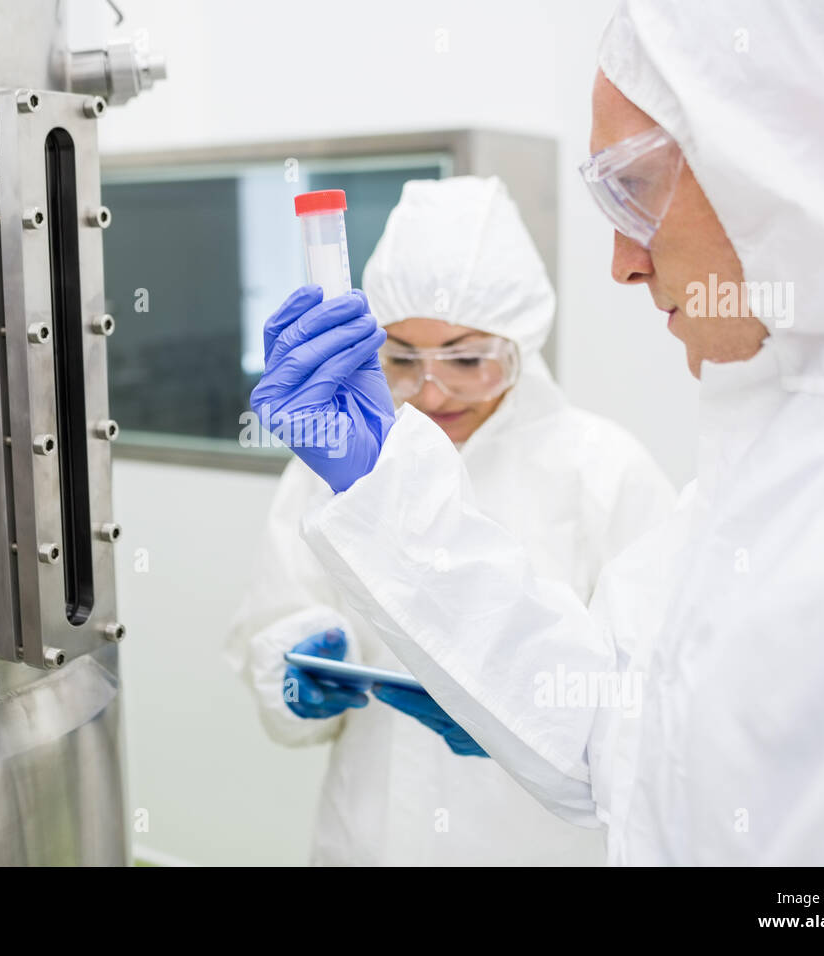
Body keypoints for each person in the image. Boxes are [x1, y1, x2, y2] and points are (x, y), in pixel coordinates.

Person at [247, 0, 824, 864]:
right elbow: (615, 737)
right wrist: (378, 486)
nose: (623, 262)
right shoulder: (776, 468)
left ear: (787, 158)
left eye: (637, 186)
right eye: (406, 358)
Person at [227, 176, 676, 866]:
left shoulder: (605, 470)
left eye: (467, 360)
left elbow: (653, 703)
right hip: (368, 834)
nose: (432, 389)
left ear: (520, 345)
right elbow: (272, 621)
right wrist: (298, 665)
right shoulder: (338, 466)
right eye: (402, 358)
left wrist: (535, 713)